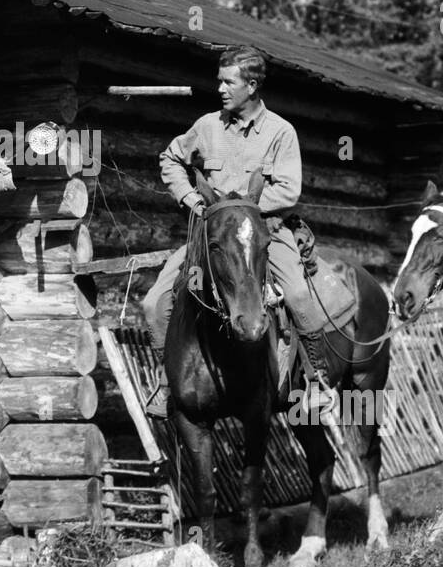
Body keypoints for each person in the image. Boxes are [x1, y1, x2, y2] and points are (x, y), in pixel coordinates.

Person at [142, 44, 337, 422]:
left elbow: (289, 189)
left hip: (264, 234)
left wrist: (239, 212)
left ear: (251, 85)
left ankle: (316, 381)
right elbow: (170, 158)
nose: (221, 89)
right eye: (220, 82)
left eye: (228, 82)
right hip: (211, 238)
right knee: (154, 303)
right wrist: (191, 199)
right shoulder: (206, 127)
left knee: (297, 293)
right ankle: (168, 384)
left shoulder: (281, 132)